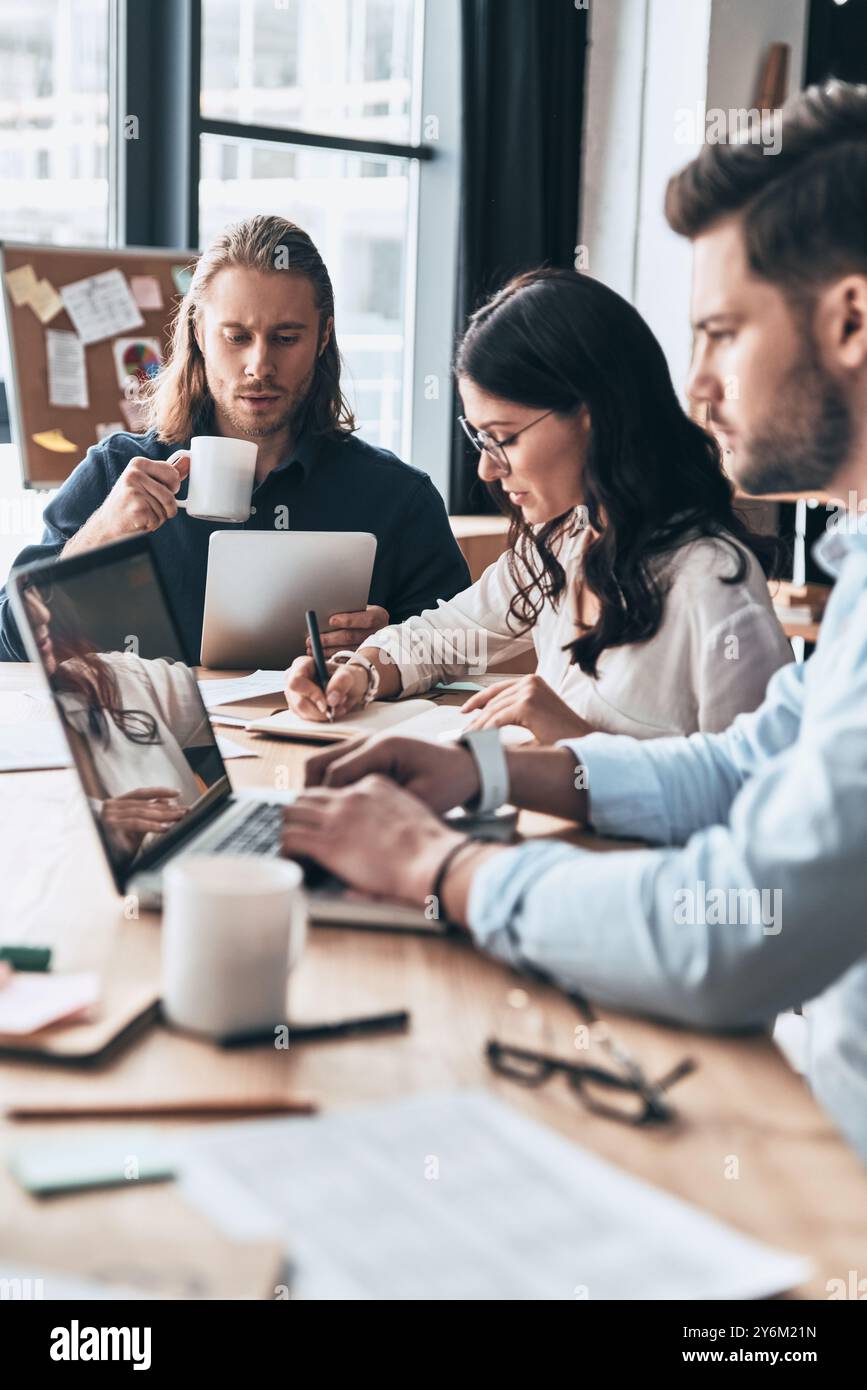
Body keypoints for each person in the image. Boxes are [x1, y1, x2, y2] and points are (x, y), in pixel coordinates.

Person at [281, 81, 867, 1164]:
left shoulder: (714, 579)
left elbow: (740, 919)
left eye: (722, 334)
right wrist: (490, 776)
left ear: (850, 318)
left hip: (821, 1142)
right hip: (796, 1095)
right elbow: (749, 765)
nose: (696, 387)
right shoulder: (840, 566)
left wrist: (447, 870)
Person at [285, 269, 792, 744]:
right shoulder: (566, 538)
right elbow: (446, 639)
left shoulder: (714, 587)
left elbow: (759, 795)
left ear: (591, 416)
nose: (487, 469)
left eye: (503, 438)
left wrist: (573, 737)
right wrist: (360, 672)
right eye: (480, 439)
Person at [0, 215, 469, 662]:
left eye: (285, 338)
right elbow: (10, 642)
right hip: (167, 745)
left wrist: (389, 649)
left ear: (323, 336)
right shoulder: (115, 473)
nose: (259, 366)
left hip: (323, 744)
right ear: (200, 332)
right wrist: (99, 535)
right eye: (237, 337)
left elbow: (463, 654)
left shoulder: (396, 498)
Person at [22, 581, 212, 866]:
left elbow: (230, 698)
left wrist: (299, 674)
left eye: (32, 591)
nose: (40, 613)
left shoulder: (107, 675)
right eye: (19, 598)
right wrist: (106, 848)